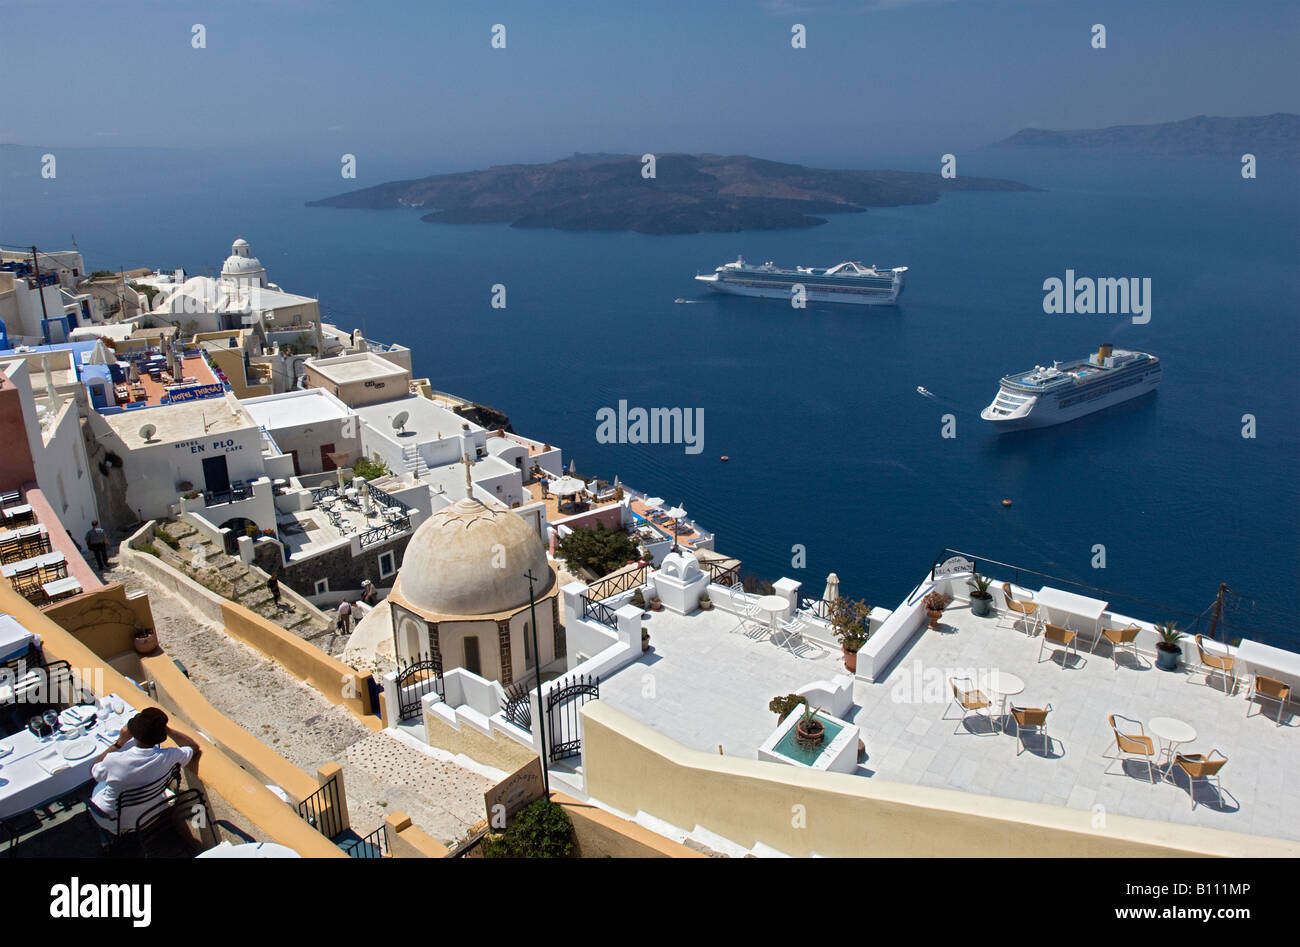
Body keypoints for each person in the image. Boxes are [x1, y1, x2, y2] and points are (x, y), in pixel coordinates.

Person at [88, 707, 201, 834]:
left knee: (100, 783)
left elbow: (94, 770)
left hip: (113, 821)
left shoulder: (114, 761)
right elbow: (193, 747)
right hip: (150, 814)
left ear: (133, 733)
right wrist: (167, 730)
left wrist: (120, 742)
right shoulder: (170, 756)